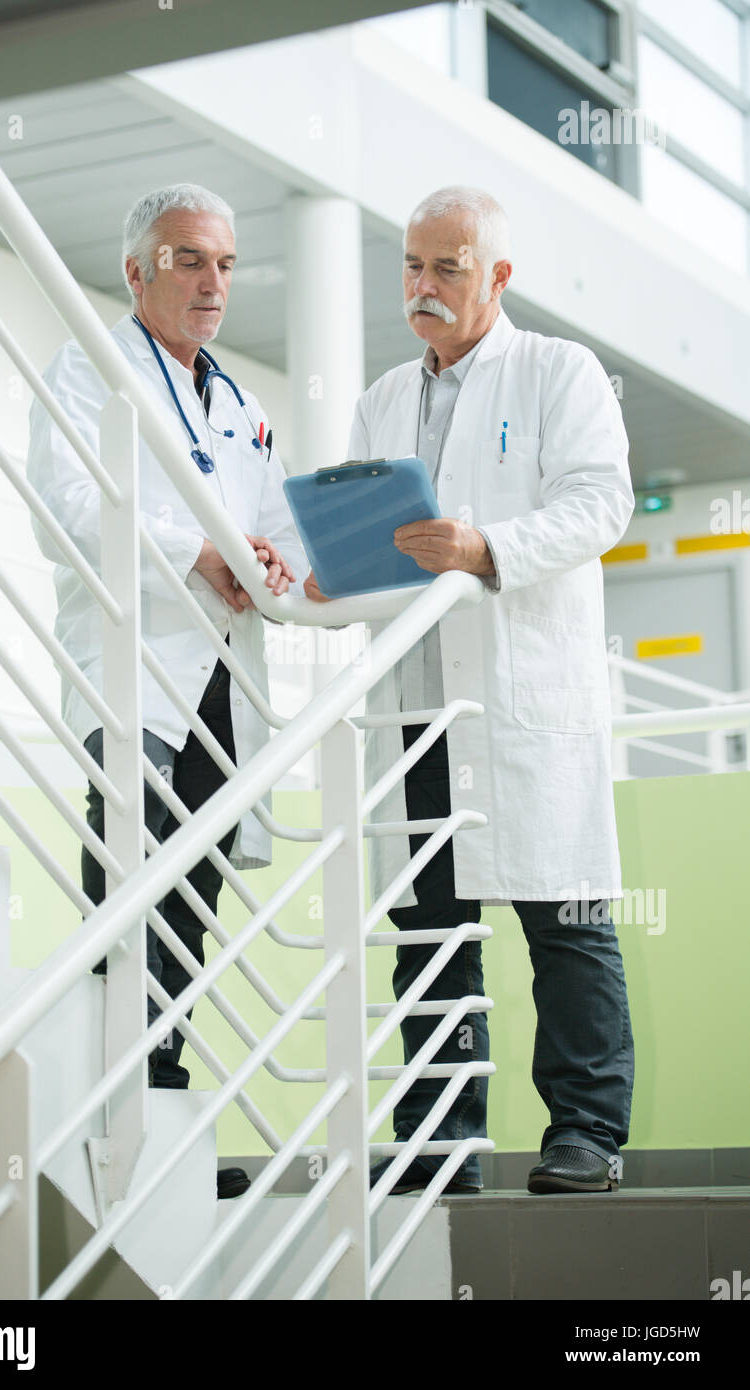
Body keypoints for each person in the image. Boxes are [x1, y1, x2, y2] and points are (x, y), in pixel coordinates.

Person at [305, 185, 636, 1196]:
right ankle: (436, 1135)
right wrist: (331, 567)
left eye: (447, 267)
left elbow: (600, 503)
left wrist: (487, 546)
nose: (423, 286)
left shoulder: (555, 371)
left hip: (521, 697)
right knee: (428, 929)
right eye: (411, 265)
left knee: (564, 921)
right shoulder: (379, 398)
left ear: (496, 275)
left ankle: (584, 1130)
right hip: (416, 703)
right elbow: (374, 534)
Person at [27, 184, 310, 1199]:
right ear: (137, 268)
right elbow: (67, 505)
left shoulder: (236, 404)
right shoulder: (87, 369)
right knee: (129, 891)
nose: (212, 282)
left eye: (225, 264)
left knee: (188, 903)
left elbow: (272, 525)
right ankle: (118, 1116)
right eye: (189, 259)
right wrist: (198, 553)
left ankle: (165, 1106)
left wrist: (270, 562)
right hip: (138, 677)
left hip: (222, 686)